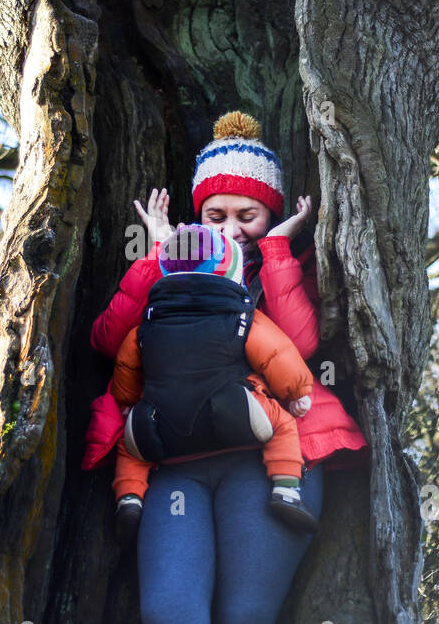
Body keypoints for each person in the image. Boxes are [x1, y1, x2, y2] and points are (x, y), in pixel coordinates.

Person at [82, 110, 370, 624]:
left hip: (270, 457)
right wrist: (159, 261)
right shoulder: (168, 274)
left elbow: (301, 341)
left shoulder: (283, 266)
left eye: (250, 215)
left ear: (271, 215)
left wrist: (279, 252)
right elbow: (107, 340)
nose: (232, 228)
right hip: (175, 464)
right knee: (169, 618)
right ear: (198, 216)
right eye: (216, 215)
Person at [110, 223, 320, 543]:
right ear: (231, 268)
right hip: (233, 413)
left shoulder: (146, 326)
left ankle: (129, 499)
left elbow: (126, 365)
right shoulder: (241, 315)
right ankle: (286, 489)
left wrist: (125, 402)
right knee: (283, 425)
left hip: (158, 425)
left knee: (129, 448)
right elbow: (276, 354)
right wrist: (297, 392)